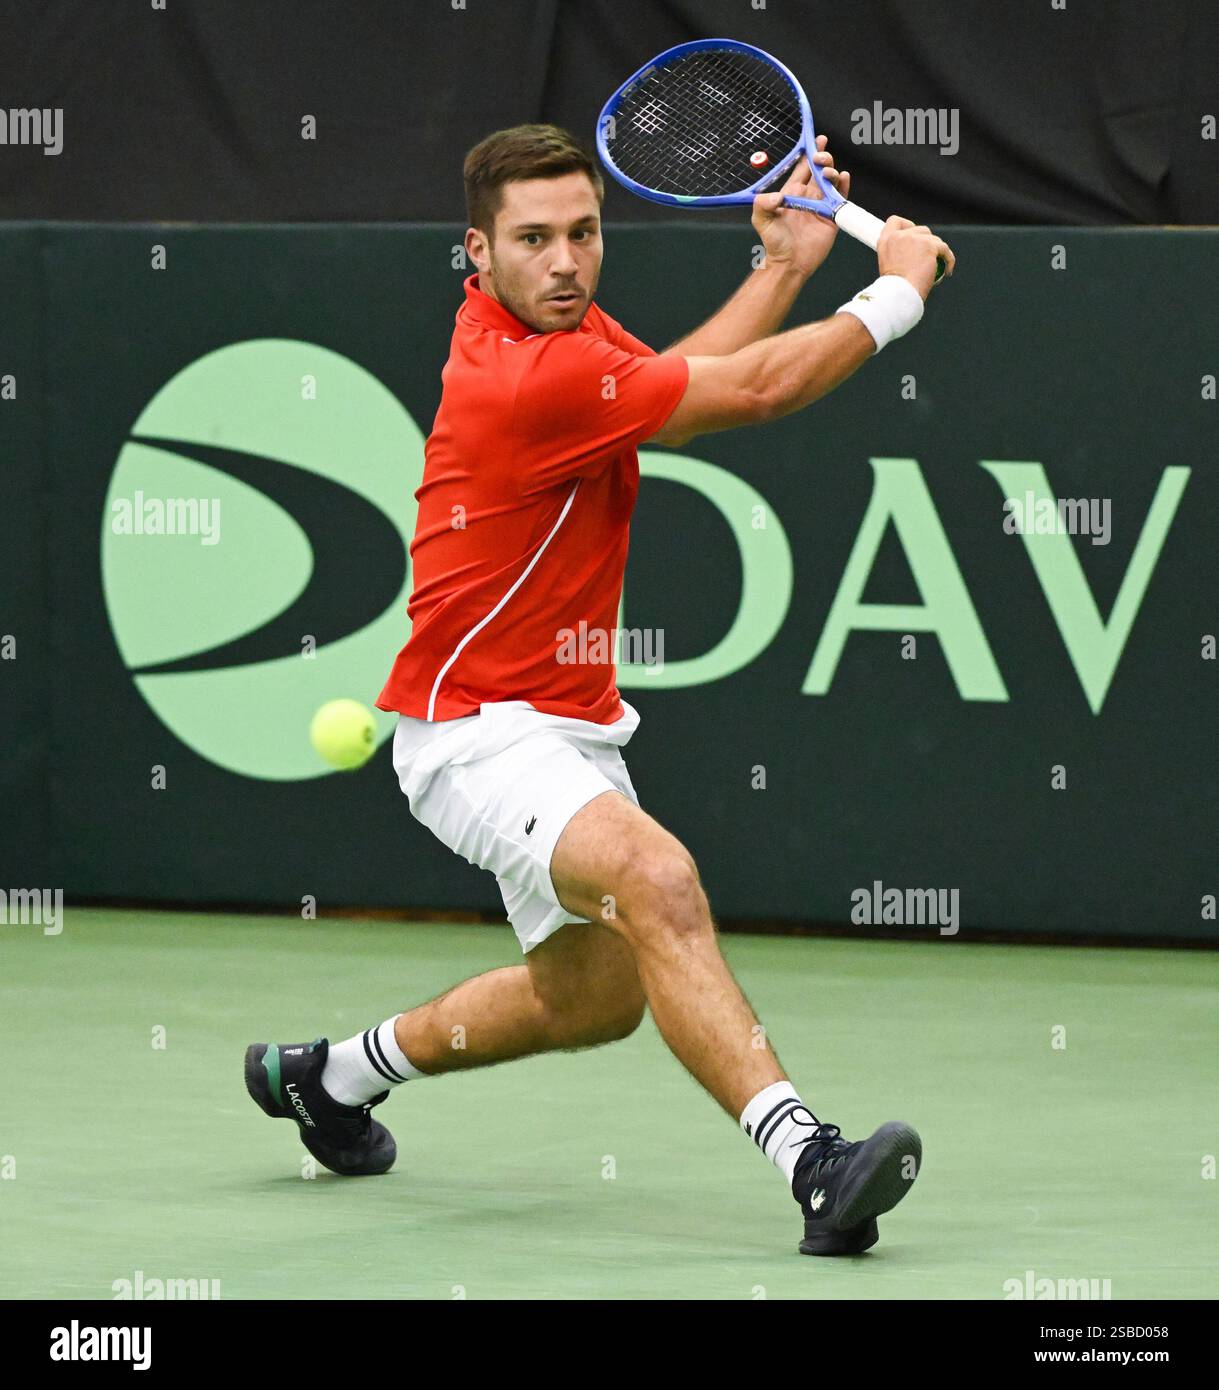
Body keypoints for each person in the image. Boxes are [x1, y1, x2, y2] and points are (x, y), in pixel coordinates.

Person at [246, 123, 954, 1256]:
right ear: (476, 250)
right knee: (656, 876)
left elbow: (685, 387)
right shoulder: (524, 376)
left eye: (583, 232)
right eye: (533, 240)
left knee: (594, 998)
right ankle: (812, 1164)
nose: (565, 260)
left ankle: (327, 1078)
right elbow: (759, 392)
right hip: (472, 734)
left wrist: (784, 265)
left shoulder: (563, 336)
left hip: (565, 731)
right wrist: (898, 293)